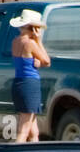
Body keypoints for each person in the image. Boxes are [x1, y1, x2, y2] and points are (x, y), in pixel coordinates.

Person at [9, 9, 50, 143]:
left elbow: (31, 61)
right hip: (29, 84)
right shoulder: (30, 43)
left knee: (33, 131)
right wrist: (38, 41)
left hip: (19, 83)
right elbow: (47, 61)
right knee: (24, 129)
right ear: (33, 28)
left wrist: (38, 62)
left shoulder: (15, 41)